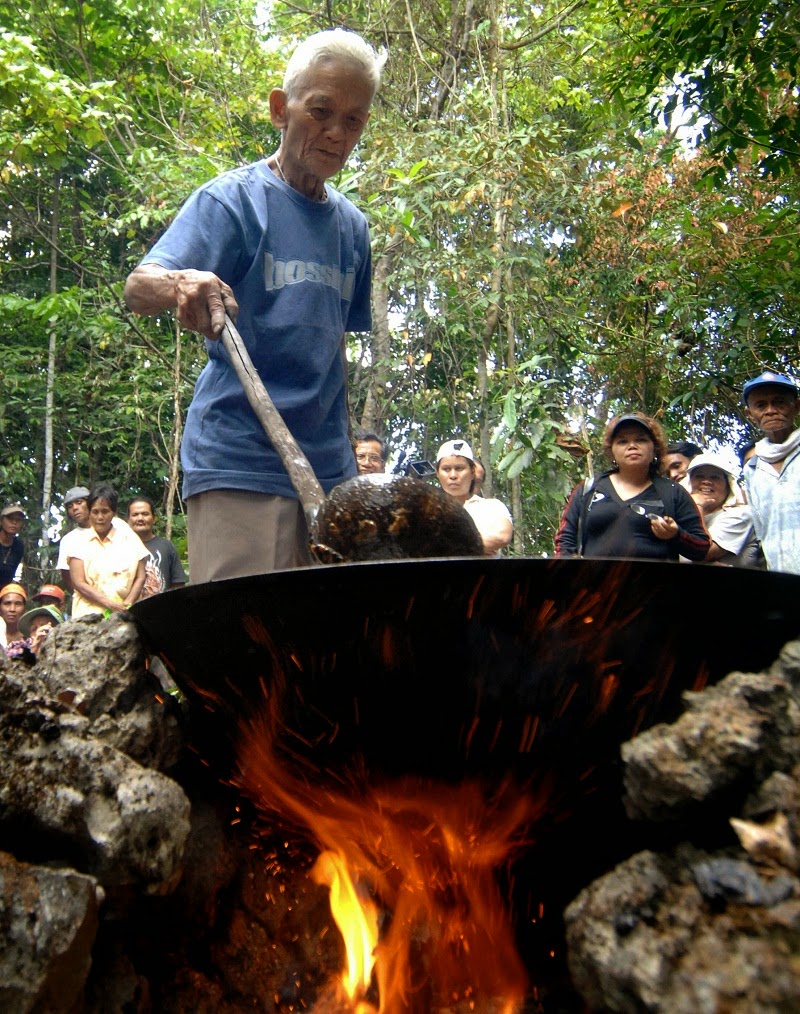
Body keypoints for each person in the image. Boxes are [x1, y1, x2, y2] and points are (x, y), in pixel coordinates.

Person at [124, 30, 387, 581]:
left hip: (330, 473)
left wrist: (345, 469)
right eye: (321, 110)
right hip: (238, 461)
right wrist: (181, 285)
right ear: (279, 109)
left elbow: (332, 354)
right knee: (239, 644)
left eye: (354, 120)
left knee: (321, 649)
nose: (337, 133)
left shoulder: (353, 229)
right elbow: (138, 285)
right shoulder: (232, 201)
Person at [555, 412, 709, 561]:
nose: (632, 446)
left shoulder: (673, 492)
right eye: (622, 441)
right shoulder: (587, 489)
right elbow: (564, 540)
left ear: (654, 447)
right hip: (596, 586)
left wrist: (675, 535)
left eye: (641, 440)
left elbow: (701, 546)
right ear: (612, 451)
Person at [742, 370, 800, 574]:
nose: (770, 411)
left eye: (779, 403)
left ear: (796, 407)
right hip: (783, 580)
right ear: (750, 415)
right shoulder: (752, 468)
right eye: (761, 405)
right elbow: (761, 532)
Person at [67, 483, 150, 618]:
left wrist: (127, 605)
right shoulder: (77, 542)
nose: (100, 517)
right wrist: (109, 604)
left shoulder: (129, 538)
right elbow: (78, 582)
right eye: (95, 512)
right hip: (86, 618)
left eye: (105, 511)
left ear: (114, 512)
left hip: (124, 616)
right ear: (89, 512)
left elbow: (140, 576)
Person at [435, 439, 513, 556]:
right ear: (437, 473)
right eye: (446, 469)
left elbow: (502, 536)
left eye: (459, 468)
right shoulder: (428, 510)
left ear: (472, 472)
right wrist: (478, 545)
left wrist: (440, 545)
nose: (453, 475)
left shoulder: (492, 507)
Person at [685, 453, 762, 567]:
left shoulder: (741, 515)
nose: (706, 481)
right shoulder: (680, 517)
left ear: (728, 485)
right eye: (699, 476)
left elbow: (702, 553)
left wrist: (698, 506)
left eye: (715, 477)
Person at [126, 496, 187, 592]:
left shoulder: (167, 546)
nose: (140, 518)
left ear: (153, 518)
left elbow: (178, 585)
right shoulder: (120, 547)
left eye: (145, 514)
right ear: (128, 520)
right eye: (135, 515)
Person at [55, 486, 93, 590]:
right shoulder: (69, 540)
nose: (75, 508)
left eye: (79, 502)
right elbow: (67, 577)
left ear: (90, 503)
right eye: (70, 506)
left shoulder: (115, 526)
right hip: (85, 599)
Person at [0, 503, 26, 586]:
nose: (14, 522)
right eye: (10, 518)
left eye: (18, 520)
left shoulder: (18, 546)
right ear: (1, 521)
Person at [0, 582, 28, 657]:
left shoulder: (29, 637)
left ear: (24, 608)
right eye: (7, 603)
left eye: (18, 604)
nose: (12, 609)